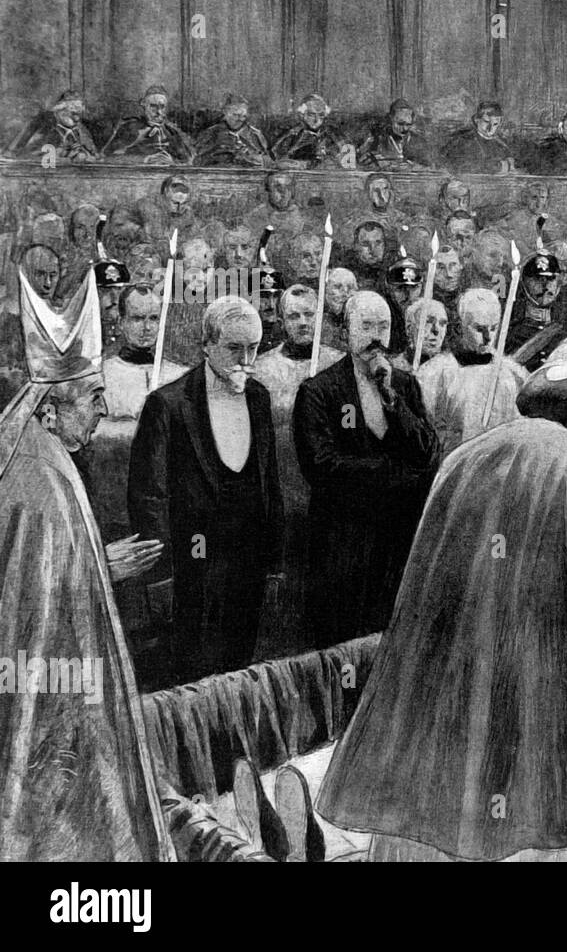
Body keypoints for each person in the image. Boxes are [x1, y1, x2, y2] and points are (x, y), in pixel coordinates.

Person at [317, 359, 567, 862]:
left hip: (429, 677)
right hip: (524, 688)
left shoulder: (461, 458)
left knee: (417, 819)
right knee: (512, 830)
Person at [0, 264, 171, 860]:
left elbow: (49, 576)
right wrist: (107, 568)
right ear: (50, 407)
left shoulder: (41, 454)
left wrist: (98, 561)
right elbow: (36, 607)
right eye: (93, 398)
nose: (102, 411)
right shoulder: (43, 479)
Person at [128, 298, 285, 685]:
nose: (245, 359)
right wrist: (160, 576)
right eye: (234, 348)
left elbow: (269, 483)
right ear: (207, 344)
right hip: (190, 568)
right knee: (190, 674)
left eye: (253, 348)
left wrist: (275, 562)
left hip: (247, 564)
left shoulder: (259, 398)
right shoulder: (167, 404)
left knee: (239, 669)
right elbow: (150, 497)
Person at [293, 291, 439, 648]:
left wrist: (392, 399)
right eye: (366, 326)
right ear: (345, 332)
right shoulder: (318, 391)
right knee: (342, 642)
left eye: (383, 326)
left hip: (396, 542)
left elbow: (427, 453)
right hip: (342, 544)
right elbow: (323, 468)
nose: (376, 335)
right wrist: (397, 474)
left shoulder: (405, 385)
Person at [254, 285, 345, 657]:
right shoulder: (261, 369)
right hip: (283, 492)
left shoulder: (339, 363)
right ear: (281, 319)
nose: (303, 322)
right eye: (294, 316)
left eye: (310, 314)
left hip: (330, 496)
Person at [416, 288, 527, 452]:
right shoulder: (434, 373)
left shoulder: (513, 373)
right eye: (479, 329)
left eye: (494, 328)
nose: (488, 337)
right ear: (459, 327)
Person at [98, 287, 188, 444]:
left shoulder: (180, 375)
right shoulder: (102, 375)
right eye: (137, 319)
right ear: (121, 322)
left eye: (153, 318)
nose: (146, 327)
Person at [505, 243, 567, 371]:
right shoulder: (509, 335)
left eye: (551, 279)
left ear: (559, 283)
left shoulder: (566, 335)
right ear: (524, 282)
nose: (545, 286)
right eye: (537, 279)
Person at [103, 84, 195, 165]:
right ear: (144, 105)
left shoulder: (171, 132)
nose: (158, 112)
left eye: (162, 107)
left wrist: (172, 162)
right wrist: (145, 159)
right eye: (153, 106)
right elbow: (107, 158)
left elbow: (188, 161)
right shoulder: (130, 128)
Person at [5, 89, 99, 162]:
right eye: (73, 108)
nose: (78, 112)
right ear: (61, 108)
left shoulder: (81, 128)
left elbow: (93, 154)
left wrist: (87, 155)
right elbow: (25, 153)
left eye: (80, 108)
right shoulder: (44, 122)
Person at [270, 92, 355, 169]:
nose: (316, 119)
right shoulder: (293, 134)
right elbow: (276, 159)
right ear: (302, 115)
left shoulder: (335, 134)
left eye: (321, 115)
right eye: (311, 115)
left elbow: (348, 162)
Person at [194, 92, 272, 168]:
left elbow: (269, 162)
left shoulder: (256, 135)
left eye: (243, 116)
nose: (240, 120)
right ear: (225, 112)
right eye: (236, 115)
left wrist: (251, 157)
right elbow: (197, 161)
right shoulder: (210, 133)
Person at [440, 99, 514, 175]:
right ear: (476, 120)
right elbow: (455, 165)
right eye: (486, 122)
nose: (490, 128)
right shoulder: (462, 141)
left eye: (495, 124)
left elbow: (510, 167)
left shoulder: (502, 146)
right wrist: (498, 166)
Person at [356, 98, 430, 170]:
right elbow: (361, 163)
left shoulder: (419, 141)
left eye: (408, 124)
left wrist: (412, 166)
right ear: (391, 118)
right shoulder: (377, 139)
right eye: (400, 124)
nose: (405, 129)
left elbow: (429, 167)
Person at [246, 171, 307, 242]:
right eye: (278, 187)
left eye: (288, 187)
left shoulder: (300, 214)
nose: (284, 192)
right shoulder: (256, 216)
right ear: (268, 190)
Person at [393, 298, 449, 373]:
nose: (436, 330)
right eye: (428, 322)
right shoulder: (393, 368)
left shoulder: (450, 370)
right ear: (409, 329)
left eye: (442, 324)